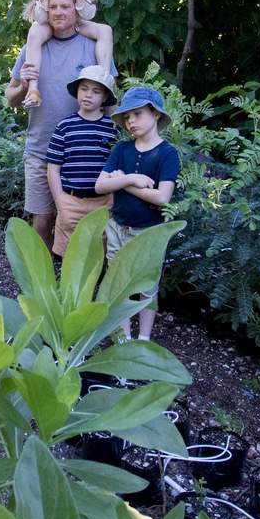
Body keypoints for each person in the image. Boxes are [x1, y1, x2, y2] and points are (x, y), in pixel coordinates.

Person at [6, 0, 117, 250]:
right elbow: (9, 96)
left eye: (65, 6)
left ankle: (78, 282)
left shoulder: (93, 47)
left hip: (85, 150)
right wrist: (22, 86)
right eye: (54, 7)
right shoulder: (33, 48)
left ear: (75, 8)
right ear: (47, 10)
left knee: (84, 221)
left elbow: (110, 95)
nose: (59, 12)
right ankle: (40, 281)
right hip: (40, 147)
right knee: (42, 218)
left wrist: (116, 136)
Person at [94, 86, 181, 342]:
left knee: (146, 286)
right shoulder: (121, 150)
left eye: (138, 114)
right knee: (118, 285)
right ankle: (123, 339)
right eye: (127, 117)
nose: (131, 121)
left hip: (148, 233)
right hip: (117, 227)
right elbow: (100, 185)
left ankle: (143, 339)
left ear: (155, 114)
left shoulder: (167, 153)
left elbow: (162, 197)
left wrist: (123, 182)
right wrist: (133, 178)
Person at [20, 0, 114, 108]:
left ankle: (104, 78)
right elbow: (41, 18)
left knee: (105, 30)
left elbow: (88, 14)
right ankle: (33, 89)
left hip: (78, 22)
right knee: (34, 32)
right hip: (49, 24)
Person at [45, 65, 117, 259]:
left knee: (97, 256)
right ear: (77, 91)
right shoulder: (65, 126)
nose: (88, 95)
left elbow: (117, 169)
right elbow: (53, 169)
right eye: (84, 89)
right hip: (70, 200)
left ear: (104, 97)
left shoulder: (112, 129)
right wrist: (60, 200)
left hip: (102, 203)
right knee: (68, 256)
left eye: (96, 91)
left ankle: (94, 289)